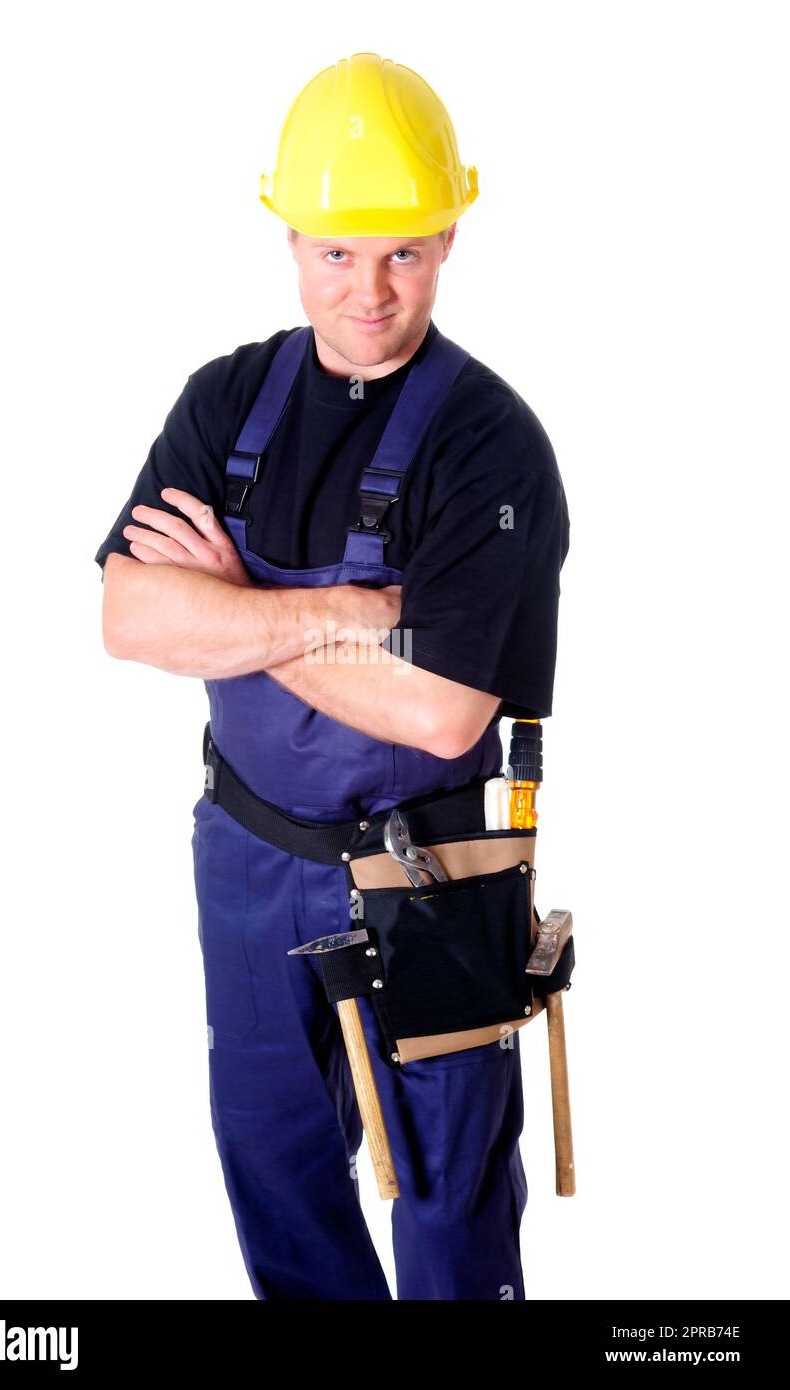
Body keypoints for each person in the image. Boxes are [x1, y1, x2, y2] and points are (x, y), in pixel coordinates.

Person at [95, 52, 570, 1301]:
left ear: (449, 233)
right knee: (273, 1161)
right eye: (337, 253)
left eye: (402, 252)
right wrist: (342, 617)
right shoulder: (225, 402)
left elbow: (440, 704)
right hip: (248, 861)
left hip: (433, 874)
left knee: (445, 1198)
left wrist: (235, 607)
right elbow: (132, 618)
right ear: (289, 236)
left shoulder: (489, 446)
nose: (367, 290)